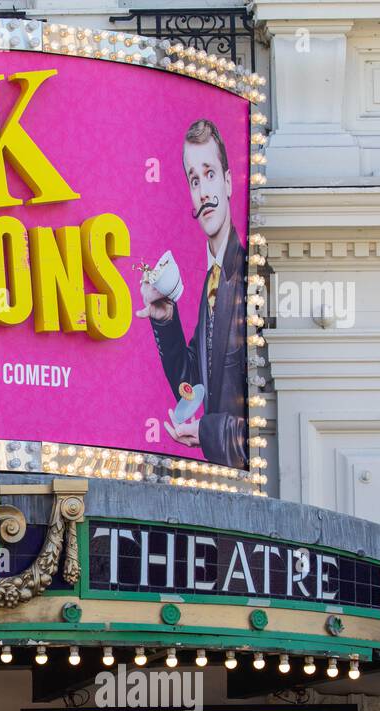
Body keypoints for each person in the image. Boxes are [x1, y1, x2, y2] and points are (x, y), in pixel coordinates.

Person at [139, 119, 248, 470]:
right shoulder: (212, 284)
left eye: (210, 174)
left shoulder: (250, 278)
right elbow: (192, 384)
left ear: (229, 182)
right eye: (194, 179)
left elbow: (260, 433)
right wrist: (166, 320)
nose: (203, 192)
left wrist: (207, 432)